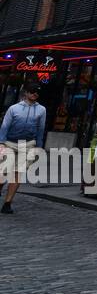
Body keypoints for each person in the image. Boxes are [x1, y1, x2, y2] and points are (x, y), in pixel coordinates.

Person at [0, 84, 46, 215]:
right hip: (9, 142)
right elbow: (5, 126)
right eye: (32, 91)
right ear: (26, 93)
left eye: (37, 92)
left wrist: (38, 146)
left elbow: (41, 129)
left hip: (27, 144)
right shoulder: (14, 108)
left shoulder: (42, 110)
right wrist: (1, 143)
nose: (35, 94)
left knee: (17, 174)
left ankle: (7, 203)